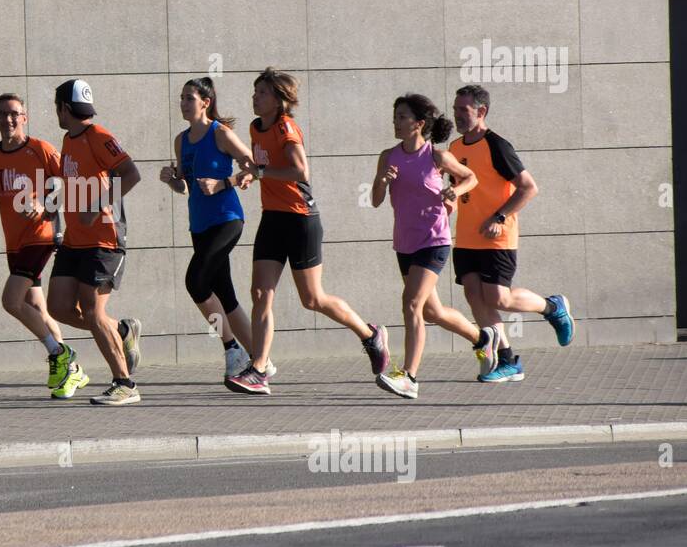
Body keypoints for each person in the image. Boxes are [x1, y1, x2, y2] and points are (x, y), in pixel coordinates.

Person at [225, 68, 389, 395]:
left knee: (312, 299)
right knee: (260, 294)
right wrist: (250, 174)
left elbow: (301, 170)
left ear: (279, 100)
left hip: (301, 219)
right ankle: (259, 369)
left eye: (261, 93)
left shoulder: (286, 128)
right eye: (254, 92)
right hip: (272, 218)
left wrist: (258, 171)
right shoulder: (255, 128)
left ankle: (370, 335)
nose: (254, 98)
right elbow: (263, 169)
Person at [371, 94, 495, 400]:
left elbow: (471, 178)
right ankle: (481, 338)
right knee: (432, 310)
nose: (395, 121)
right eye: (395, 115)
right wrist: (383, 182)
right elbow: (375, 200)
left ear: (419, 124)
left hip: (434, 241)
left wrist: (453, 189)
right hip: (405, 243)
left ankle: (409, 376)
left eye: (402, 117)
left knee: (412, 303)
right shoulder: (387, 156)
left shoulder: (436, 157)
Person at [450, 85, 575, 383]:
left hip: (497, 236)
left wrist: (499, 216)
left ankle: (552, 306)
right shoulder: (454, 149)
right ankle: (507, 360)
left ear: (481, 112)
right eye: (455, 109)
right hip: (466, 237)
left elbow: (529, 187)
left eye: (463, 111)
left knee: (499, 299)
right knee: (473, 294)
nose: (458, 115)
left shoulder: (497, 146)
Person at [0, 93, 87, 399]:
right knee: (38, 308)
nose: (8, 119)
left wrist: (42, 204)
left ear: (25, 117)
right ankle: (70, 369)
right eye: (1, 114)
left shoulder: (41, 150)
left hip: (43, 235)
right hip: (14, 242)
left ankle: (58, 353)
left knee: (11, 301)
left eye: (14, 114)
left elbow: (72, 187)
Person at [45, 79, 143, 406]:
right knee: (57, 306)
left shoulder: (99, 137)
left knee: (92, 309)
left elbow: (130, 174)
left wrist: (97, 204)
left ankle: (125, 383)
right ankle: (123, 332)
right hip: (75, 241)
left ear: (65, 108)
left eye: (57, 106)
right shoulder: (68, 140)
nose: (55, 112)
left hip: (104, 239)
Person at [158, 77, 258, 379]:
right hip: (199, 225)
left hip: (227, 219)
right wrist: (172, 180)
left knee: (195, 282)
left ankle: (231, 349)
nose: (184, 103)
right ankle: (259, 360)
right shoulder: (181, 140)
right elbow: (185, 186)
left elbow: (252, 167)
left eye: (190, 98)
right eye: (182, 97)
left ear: (206, 102)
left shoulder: (220, 134)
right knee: (225, 296)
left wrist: (223, 183)